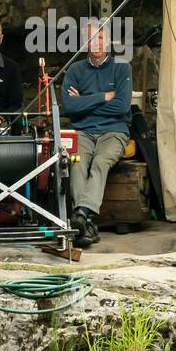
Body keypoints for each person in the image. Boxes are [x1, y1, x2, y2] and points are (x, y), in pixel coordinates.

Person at [62, 21, 132, 248]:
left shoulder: (122, 67)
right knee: (76, 163)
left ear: (108, 41)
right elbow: (69, 107)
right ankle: (86, 223)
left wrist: (84, 101)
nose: (96, 43)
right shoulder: (75, 70)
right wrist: (103, 97)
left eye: (100, 38)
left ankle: (80, 215)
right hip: (83, 131)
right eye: (91, 38)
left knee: (100, 162)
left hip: (114, 131)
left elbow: (121, 106)